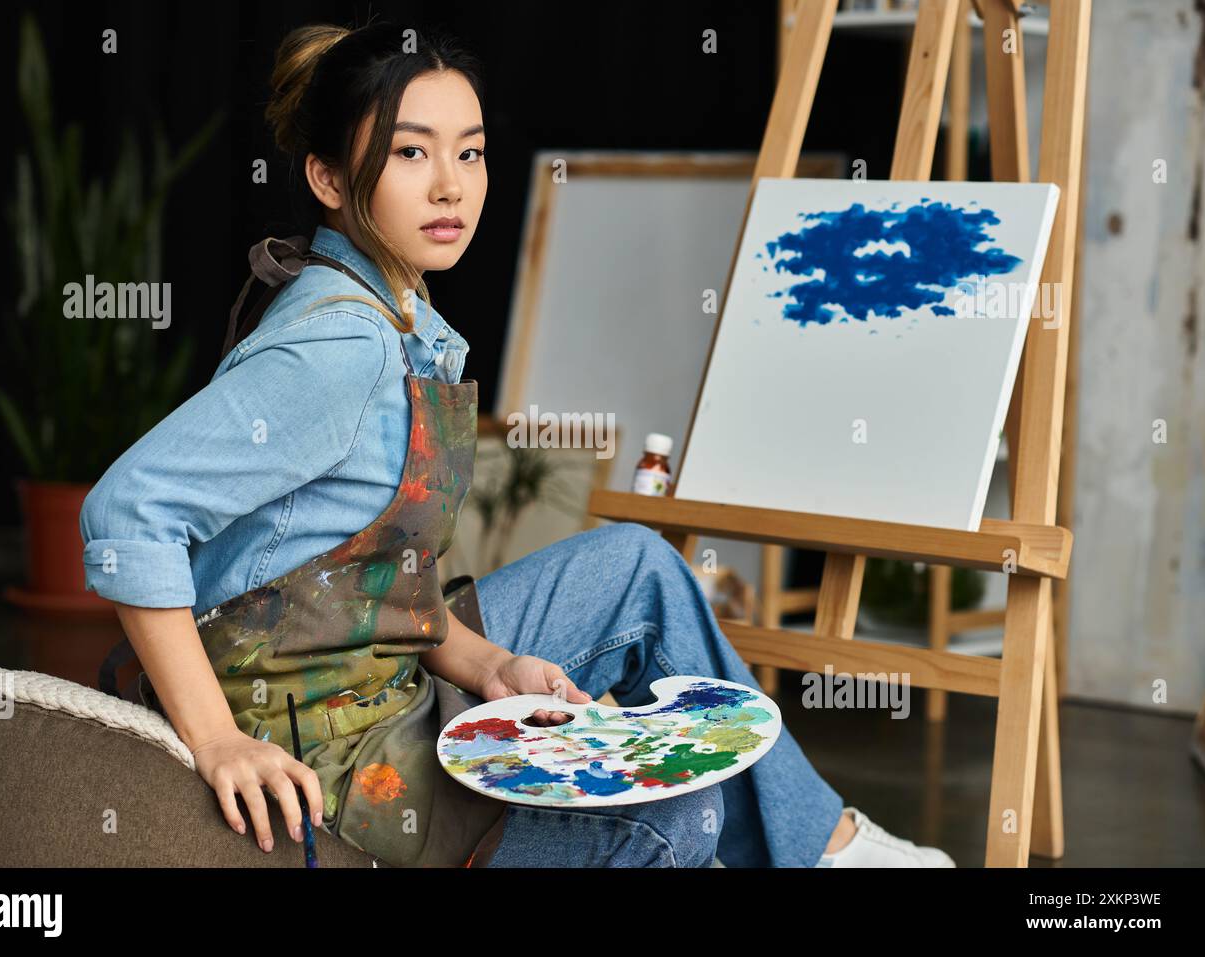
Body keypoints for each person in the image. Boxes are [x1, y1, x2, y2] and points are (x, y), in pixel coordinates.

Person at [80, 19, 954, 868]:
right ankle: (815, 853)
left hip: (371, 670)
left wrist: (490, 664)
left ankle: (821, 848)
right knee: (676, 818)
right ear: (327, 177)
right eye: (410, 152)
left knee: (636, 569)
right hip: (327, 732)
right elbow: (128, 509)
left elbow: (366, 572)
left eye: (470, 151)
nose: (452, 185)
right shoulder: (338, 346)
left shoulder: (398, 317)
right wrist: (218, 739)